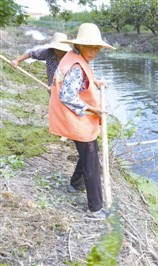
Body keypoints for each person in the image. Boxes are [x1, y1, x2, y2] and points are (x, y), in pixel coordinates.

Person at [48, 23, 115, 219]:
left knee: (89, 153)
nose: (94, 52)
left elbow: (81, 80)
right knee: (92, 162)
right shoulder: (76, 64)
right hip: (76, 119)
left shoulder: (75, 57)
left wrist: (96, 82)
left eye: (97, 48)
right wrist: (93, 108)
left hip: (78, 119)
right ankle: (95, 208)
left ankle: (75, 184)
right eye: (90, 47)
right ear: (80, 45)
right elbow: (67, 95)